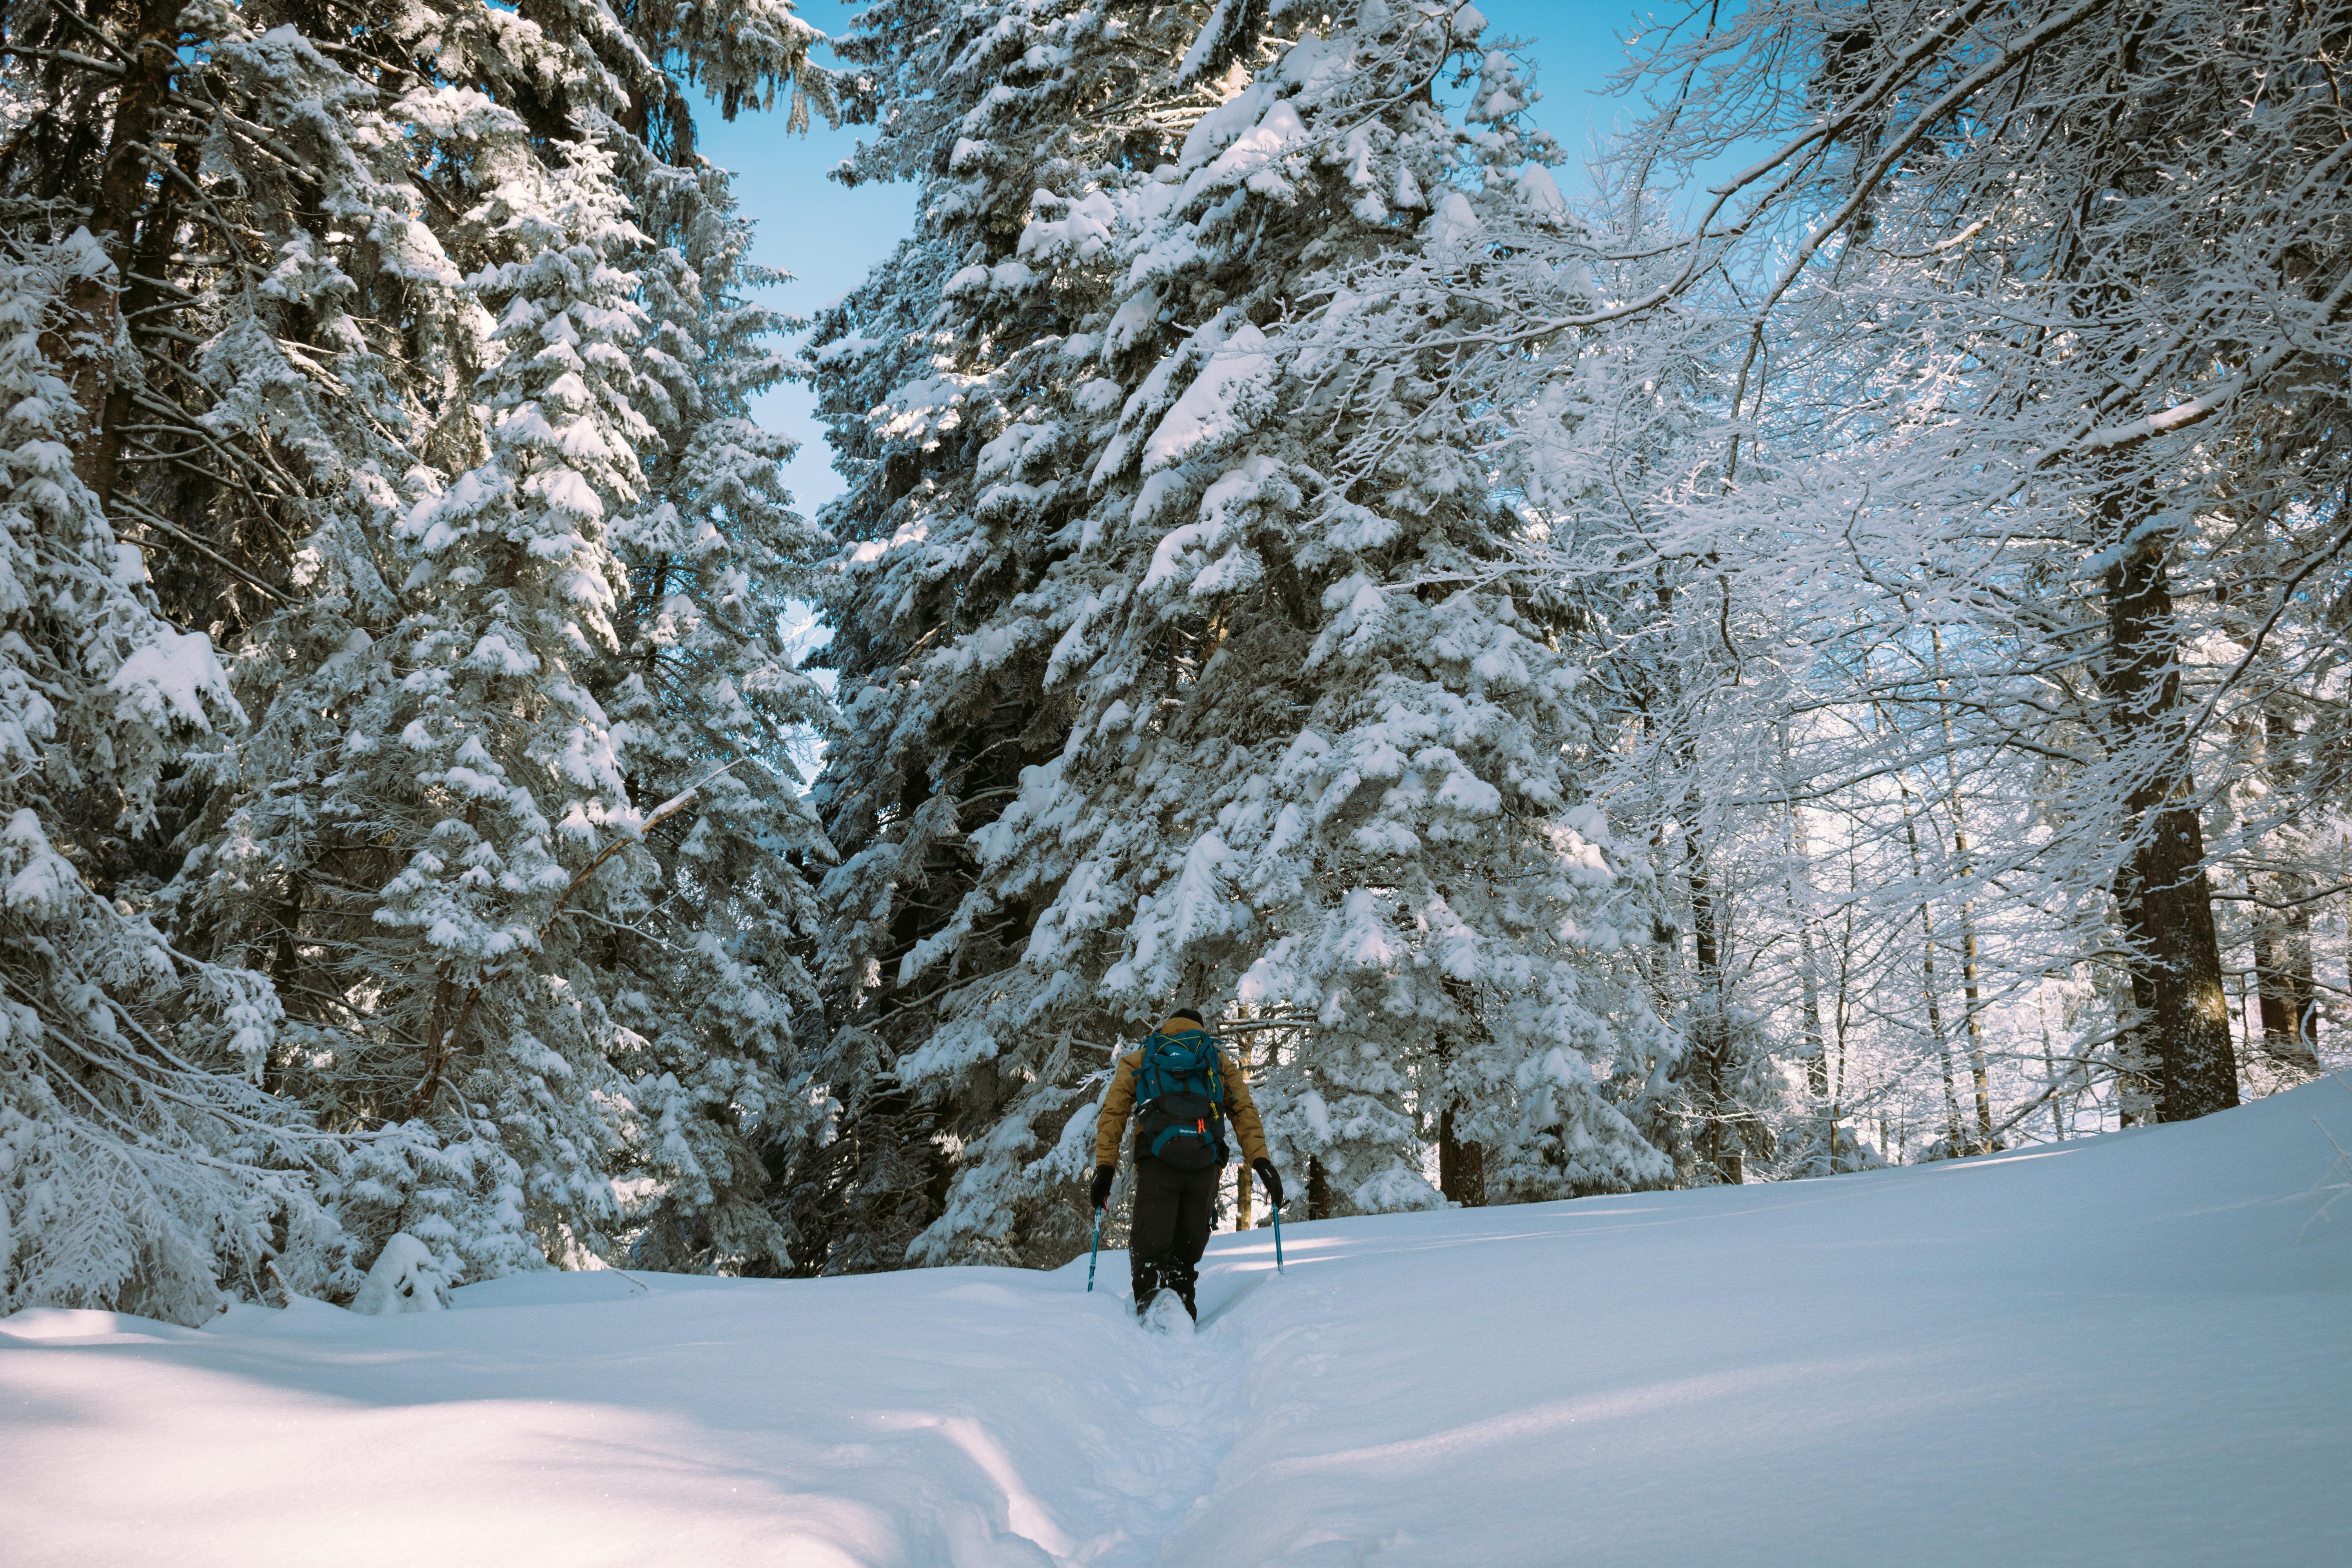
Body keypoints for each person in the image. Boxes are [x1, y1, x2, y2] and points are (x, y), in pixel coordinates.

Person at [1089, 1007, 1283, 1320]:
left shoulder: (1145, 1055)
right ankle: (1182, 1328)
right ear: (1200, 1029)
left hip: (1157, 1164)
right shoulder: (1216, 1060)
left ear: (1167, 1025)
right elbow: (1244, 1110)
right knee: (1184, 1260)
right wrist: (1261, 1162)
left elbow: (1114, 1110)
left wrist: (1105, 1168)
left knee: (1150, 1255)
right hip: (1204, 1168)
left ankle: (1151, 1327)